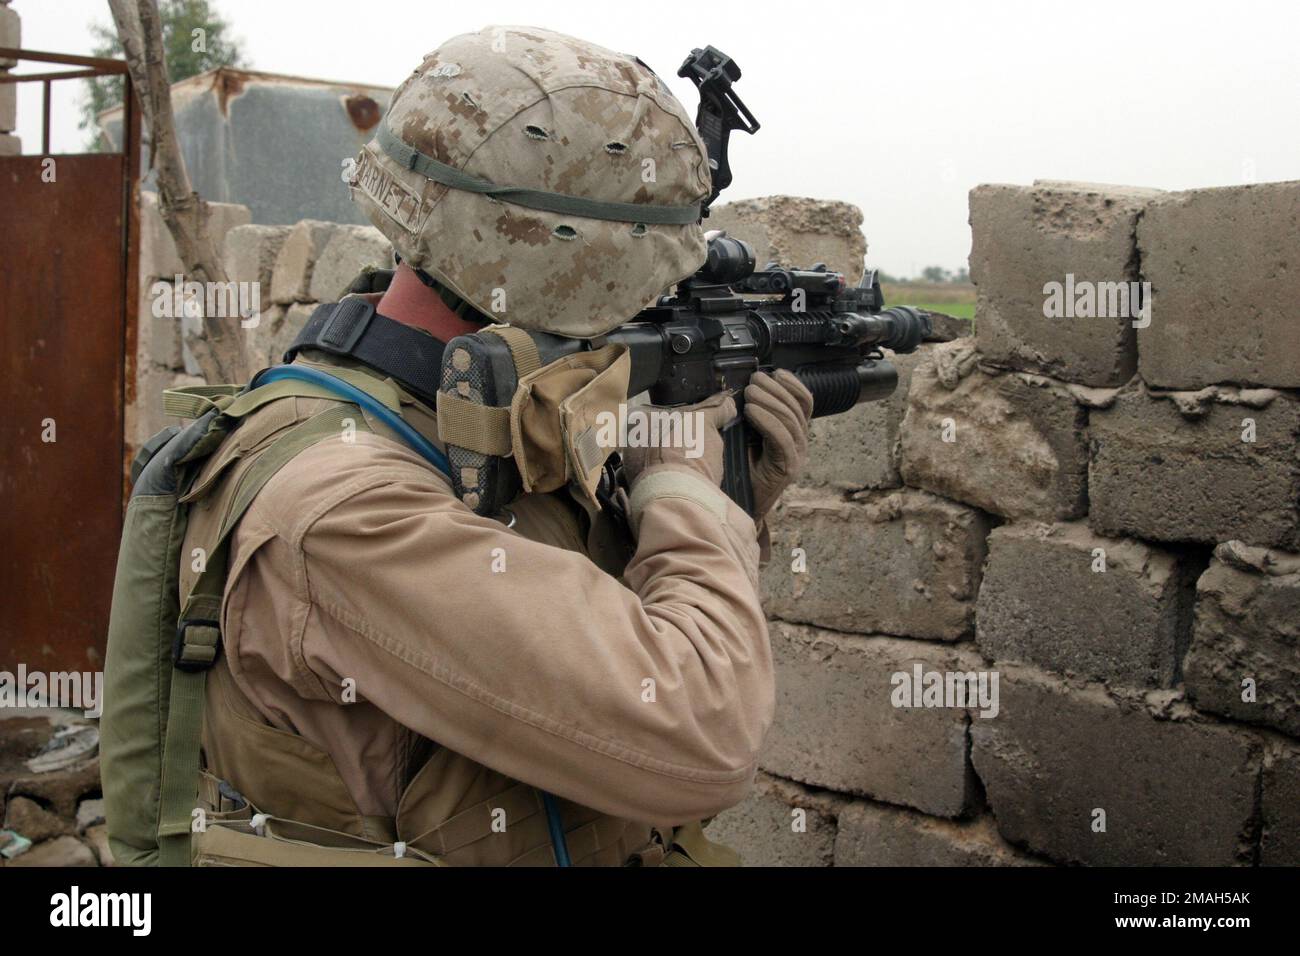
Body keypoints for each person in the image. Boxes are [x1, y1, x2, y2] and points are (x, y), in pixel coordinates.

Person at [184, 25, 814, 866]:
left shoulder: (454, 426)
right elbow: (703, 735)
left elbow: (568, 652)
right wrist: (683, 489)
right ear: (575, 271)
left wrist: (728, 507)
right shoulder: (347, 509)